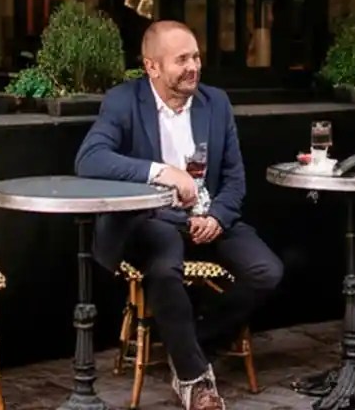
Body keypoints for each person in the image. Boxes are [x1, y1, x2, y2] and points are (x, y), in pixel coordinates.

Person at [76, 20, 283, 410]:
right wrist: (161, 171)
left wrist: (218, 217)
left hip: (208, 217)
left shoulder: (215, 102)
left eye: (197, 57)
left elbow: (235, 178)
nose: (194, 67)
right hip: (152, 220)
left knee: (267, 271)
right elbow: (89, 159)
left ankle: (190, 340)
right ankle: (194, 380)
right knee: (163, 264)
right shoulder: (124, 101)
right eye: (182, 59)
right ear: (152, 66)